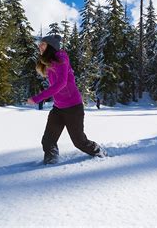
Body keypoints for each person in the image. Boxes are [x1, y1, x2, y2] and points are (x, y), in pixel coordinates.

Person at [27, 35, 107, 164]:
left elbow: (61, 83)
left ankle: (98, 151)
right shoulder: (49, 62)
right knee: (48, 140)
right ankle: (50, 162)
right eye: (39, 44)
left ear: (51, 46)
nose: (39, 46)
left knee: (79, 142)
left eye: (43, 44)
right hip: (58, 108)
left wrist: (37, 98)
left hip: (73, 108)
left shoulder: (61, 58)